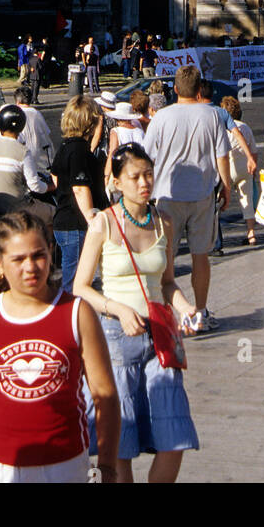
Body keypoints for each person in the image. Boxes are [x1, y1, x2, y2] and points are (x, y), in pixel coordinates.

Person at [0, 210, 120, 484]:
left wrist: (107, 466)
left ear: (50, 253)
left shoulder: (77, 313)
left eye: (38, 255)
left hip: (64, 466)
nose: (30, 267)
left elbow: (105, 394)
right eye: (18, 259)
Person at [74, 144, 199, 482]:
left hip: (160, 337)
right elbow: (80, 287)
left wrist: (186, 308)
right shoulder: (103, 223)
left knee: (175, 433)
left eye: (148, 174)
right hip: (116, 339)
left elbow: (168, 282)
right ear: (116, 182)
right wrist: (117, 309)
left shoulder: (164, 222)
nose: (144, 183)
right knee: (120, 442)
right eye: (134, 176)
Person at [143, 64, 231, 334]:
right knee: (200, 255)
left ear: (176, 89)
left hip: (167, 194)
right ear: (199, 87)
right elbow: (221, 156)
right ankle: (201, 311)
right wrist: (225, 186)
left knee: (167, 259)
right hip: (202, 193)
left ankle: (173, 312)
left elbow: (147, 156)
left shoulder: (161, 117)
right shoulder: (213, 115)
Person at [50, 97, 108, 291]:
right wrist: (91, 218)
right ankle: (71, 317)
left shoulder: (66, 145)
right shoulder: (79, 150)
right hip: (76, 224)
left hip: (64, 219)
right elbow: (80, 187)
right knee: (76, 282)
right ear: (89, 121)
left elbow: (56, 177)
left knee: (74, 276)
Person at [0, 106, 50, 219]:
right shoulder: (23, 151)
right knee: (52, 212)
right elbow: (35, 186)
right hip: (15, 208)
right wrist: (52, 186)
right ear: (21, 126)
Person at [221, 95, 258, 245]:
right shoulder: (245, 127)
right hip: (245, 167)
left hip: (228, 169)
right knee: (247, 201)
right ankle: (251, 233)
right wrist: (253, 164)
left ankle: (216, 237)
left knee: (217, 202)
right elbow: (253, 150)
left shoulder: (223, 128)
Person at [14, 87, 55, 173]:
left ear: (17, 101)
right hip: (36, 153)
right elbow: (46, 133)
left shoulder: (15, 113)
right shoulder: (36, 113)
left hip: (19, 152)